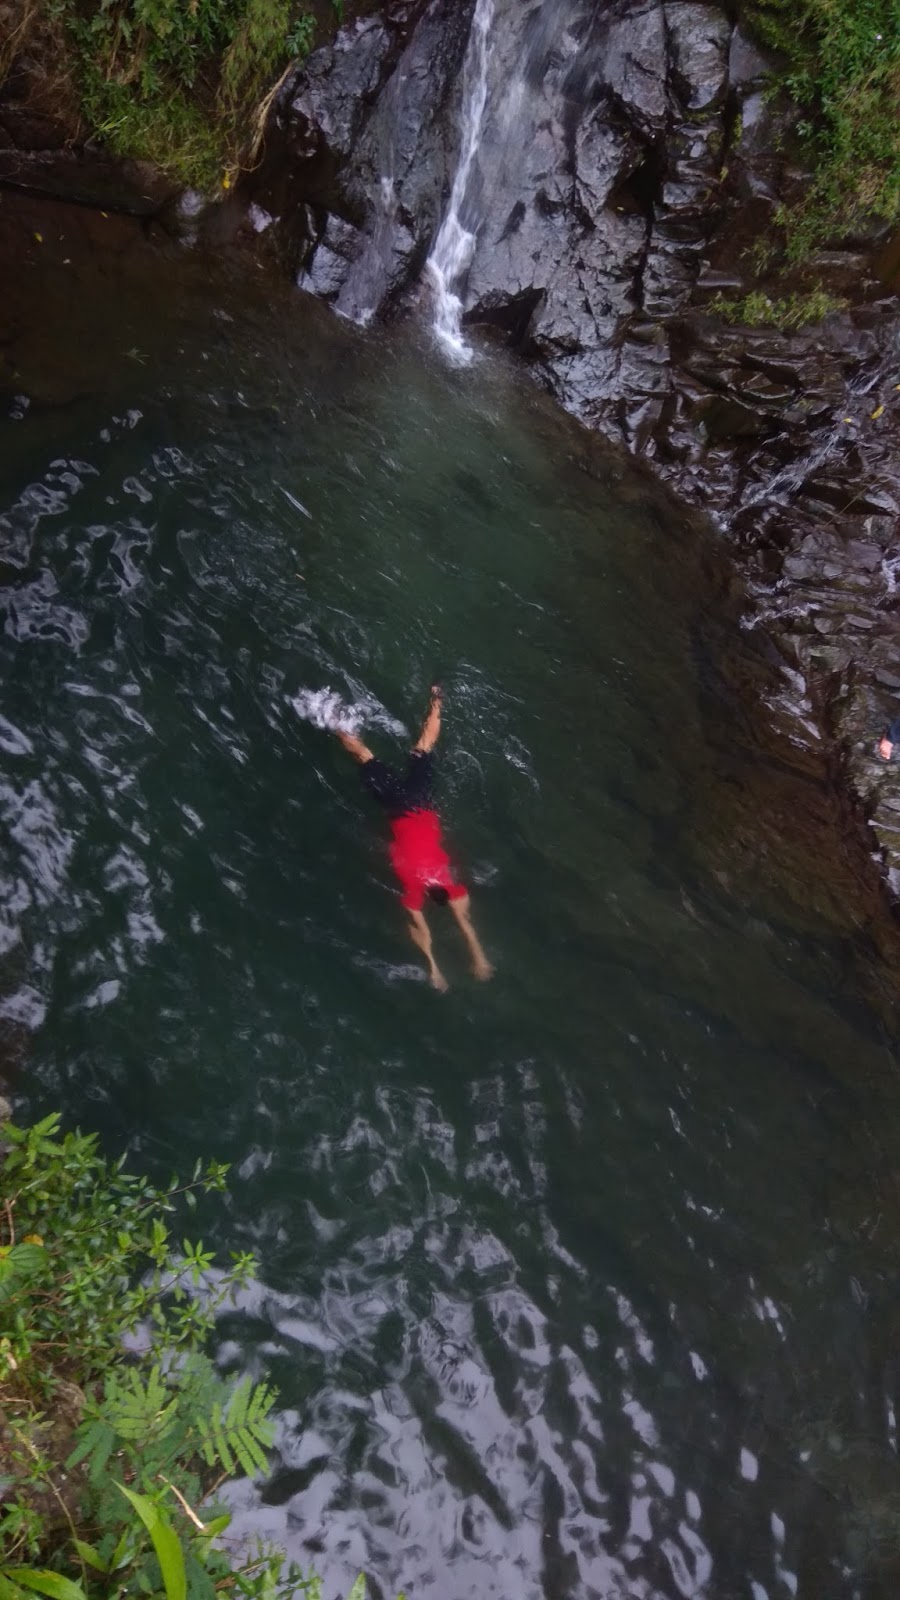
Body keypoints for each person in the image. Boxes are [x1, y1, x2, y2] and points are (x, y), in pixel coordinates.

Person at [335, 685, 493, 991]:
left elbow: (461, 927)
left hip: (422, 804)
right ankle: (334, 721)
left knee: (423, 746)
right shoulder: (413, 886)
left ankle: (436, 700)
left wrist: (476, 957)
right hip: (398, 807)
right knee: (365, 757)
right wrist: (435, 968)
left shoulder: (451, 886)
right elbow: (422, 930)